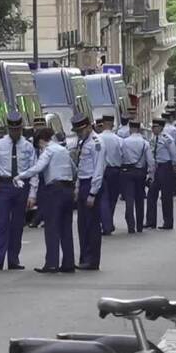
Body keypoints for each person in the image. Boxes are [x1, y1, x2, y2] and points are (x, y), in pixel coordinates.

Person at [17, 126, 77, 273]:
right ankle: (68, 263)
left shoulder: (48, 150)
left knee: (52, 227)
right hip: (68, 189)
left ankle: (52, 263)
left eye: (38, 145)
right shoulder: (63, 150)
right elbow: (74, 169)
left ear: (41, 141)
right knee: (66, 228)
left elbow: (38, 168)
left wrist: (20, 176)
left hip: (54, 190)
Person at [0, 112, 38, 271]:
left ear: (21, 128)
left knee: (17, 224)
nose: (15, 132)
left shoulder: (28, 146)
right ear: (8, 129)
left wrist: (32, 194)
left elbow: (33, 171)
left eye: (18, 129)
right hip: (4, 186)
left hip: (21, 186)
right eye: (12, 130)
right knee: (1, 223)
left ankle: (13, 259)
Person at [73, 115, 105, 270]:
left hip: (92, 184)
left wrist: (92, 193)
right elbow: (81, 167)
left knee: (92, 225)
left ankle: (92, 260)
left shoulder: (96, 143)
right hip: (83, 183)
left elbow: (98, 169)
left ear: (88, 127)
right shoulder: (84, 141)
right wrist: (78, 187)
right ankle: (84, 257)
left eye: (80, 130)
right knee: (82, 225)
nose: (79, 133)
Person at [119, 120, 154, 234]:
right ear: (139, 129)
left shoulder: (124, 142)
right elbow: (150, 161)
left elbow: (121, 157)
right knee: (140, 199)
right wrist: (151, 175)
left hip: (128, 173)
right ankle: (139, 226)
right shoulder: (145, 143)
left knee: (129, 199)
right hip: (140, 173)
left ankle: (131, 226)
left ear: (130, 128)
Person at [146, 118, 176, 230]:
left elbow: (173, 154)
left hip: (165, 167)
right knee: (151, 194)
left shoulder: (167, 139)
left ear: (160, 127)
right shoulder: (153, 138)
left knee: (166, 196)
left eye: (154, 127)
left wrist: (174, 166)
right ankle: (151, 221)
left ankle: (168, 222)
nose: (153, 129)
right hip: (156, 168)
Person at [97, 116, 123, 235]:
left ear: (102, 124)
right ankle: (109, 222)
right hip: (116, 171)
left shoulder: (98, 138)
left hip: (102, 171)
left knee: (103, 199)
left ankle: (106, 224)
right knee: (112, 198)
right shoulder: (118, 139)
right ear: (112, 125)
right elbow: (123, 155)